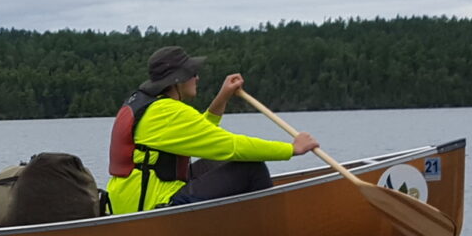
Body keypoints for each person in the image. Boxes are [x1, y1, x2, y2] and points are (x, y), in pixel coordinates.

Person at [106, 46, 318, 215]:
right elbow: (231, 146)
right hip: (149, 205)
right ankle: (271, 228)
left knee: (219, 161)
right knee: (250, 166)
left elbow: (202, 132)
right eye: (193, 73)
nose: (197, 78)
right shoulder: (167, 112)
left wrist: (222, 97)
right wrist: (291, 149)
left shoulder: (154, 106)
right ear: (178, 79)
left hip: (130, 198)